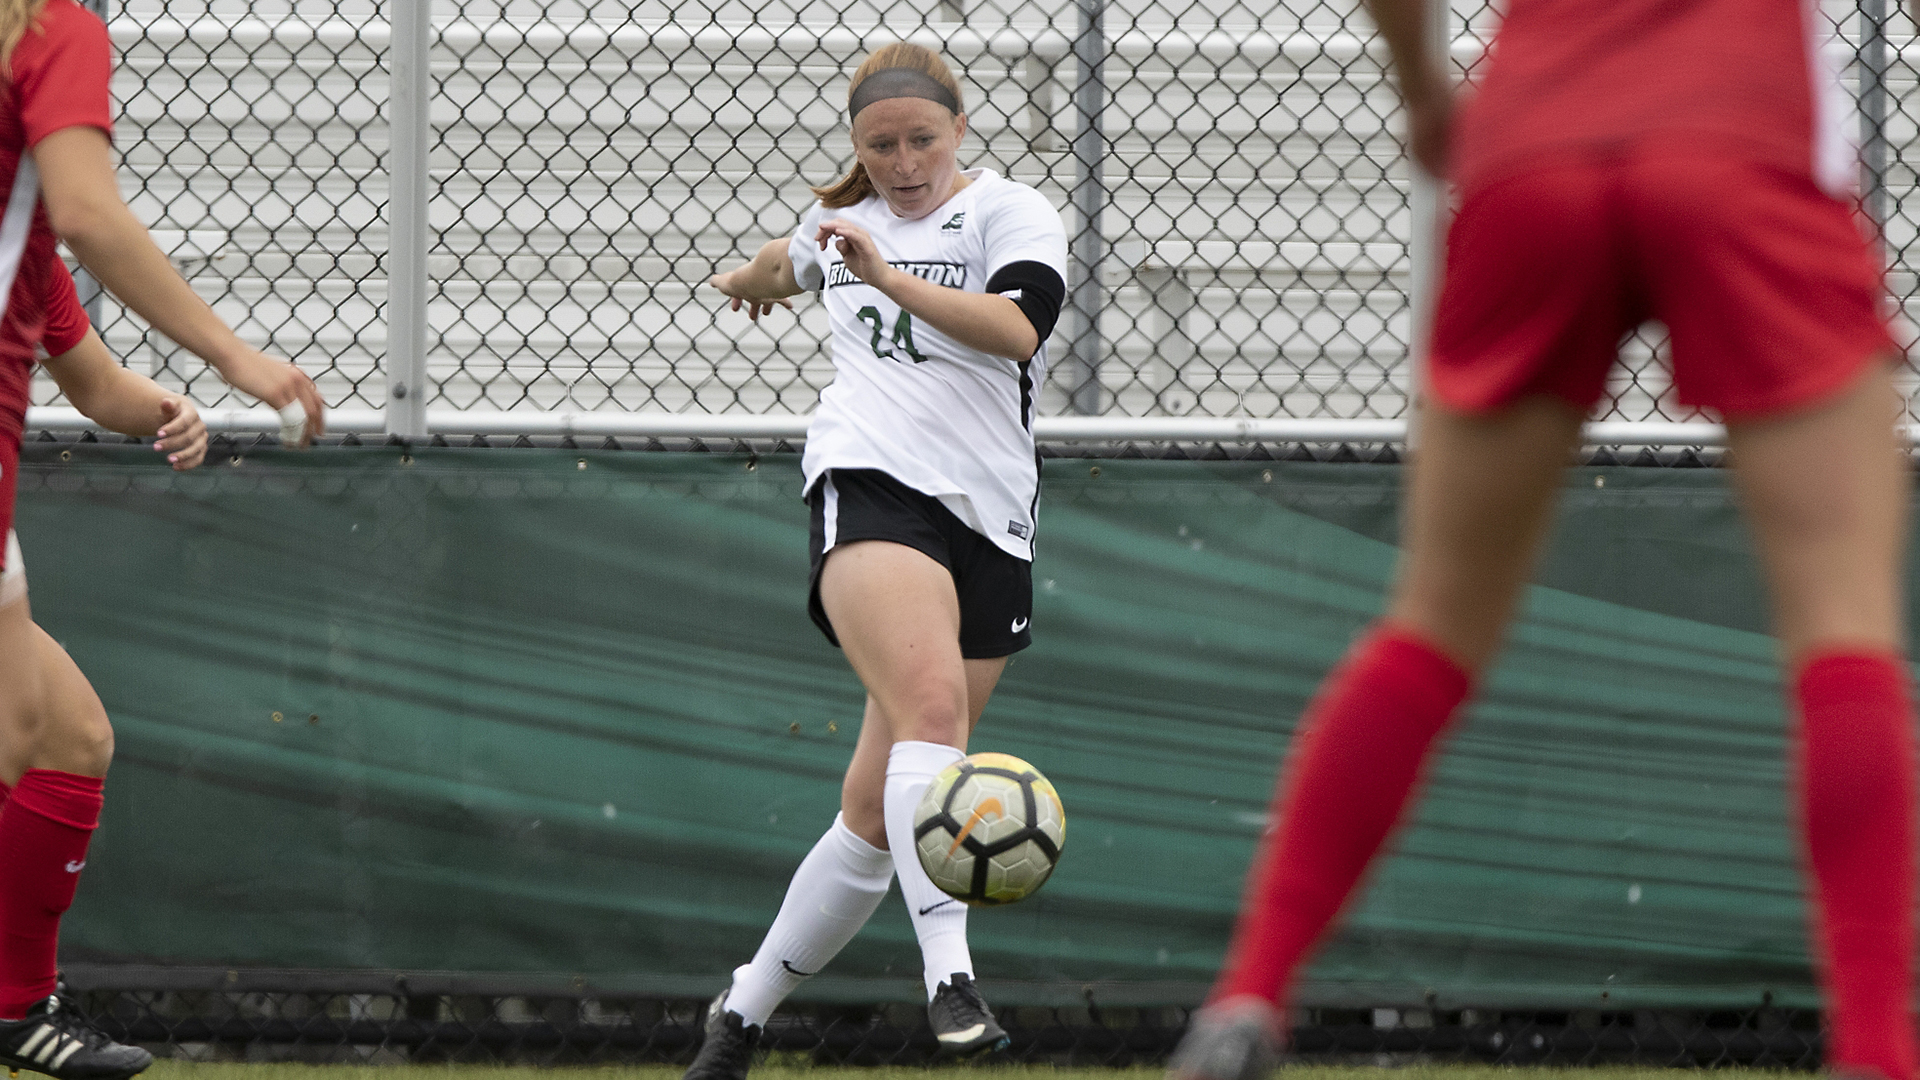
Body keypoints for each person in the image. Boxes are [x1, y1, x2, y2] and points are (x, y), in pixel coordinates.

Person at [1168, 1, 1917, 1079]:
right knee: (1843, 626)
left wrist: (1428, 97)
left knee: (1431, 628)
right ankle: (1878, 1051)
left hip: (1536, 141)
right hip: (1743, 131)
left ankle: (1248, 995)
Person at [683, 41, 1069, 1080]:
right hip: (869, 481)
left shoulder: (1006, 214)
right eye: (880, 144)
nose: (903, 162)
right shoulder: (838, 230)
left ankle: (740, 1018)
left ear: (959, 131)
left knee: (875, 804)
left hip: (989, 520)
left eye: (921, 140)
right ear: (856, 145)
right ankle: (950, 975)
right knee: (934, 714)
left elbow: (1017, 331)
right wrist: (750, 276)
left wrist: (883, 275)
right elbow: (787, 260)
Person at [0, 0, 324, 1075]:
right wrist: (236, 355)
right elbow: (97, 212)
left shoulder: (23, 230)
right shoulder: (50, 30)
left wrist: (169, 407)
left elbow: (90, 380)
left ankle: (13, 1006)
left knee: (64, 738)